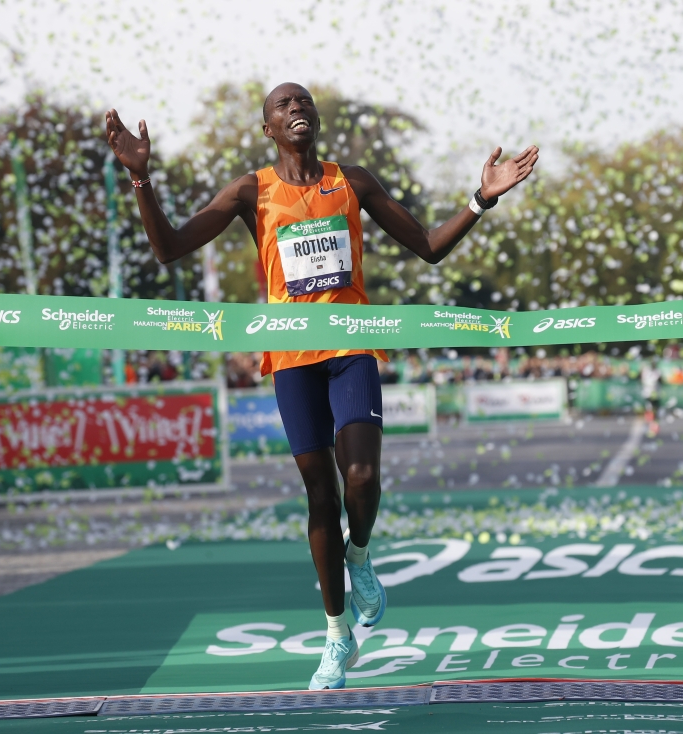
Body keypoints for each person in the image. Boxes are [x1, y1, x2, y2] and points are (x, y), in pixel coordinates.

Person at [105, 82, 538, 689]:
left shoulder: (352, 182)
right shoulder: (251, 191)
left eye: (304, 102)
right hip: (290, 359)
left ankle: (358, 555)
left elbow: (427, 248)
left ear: (316, 119)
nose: (296, 109)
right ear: (268, 129)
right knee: (319, 495)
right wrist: (141, 179)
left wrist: (480, 199)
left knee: (360, 476)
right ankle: (337, 637)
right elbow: (168, 248)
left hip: (350, 347)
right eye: (283, 106)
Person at [640, 357, 662, 438]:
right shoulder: (647, 371)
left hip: (655, 394)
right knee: (650, 411)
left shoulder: (657, 372)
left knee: (654, 411)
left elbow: (660, 380)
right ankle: (650, 427)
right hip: (648, 394)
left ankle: (654, 427)